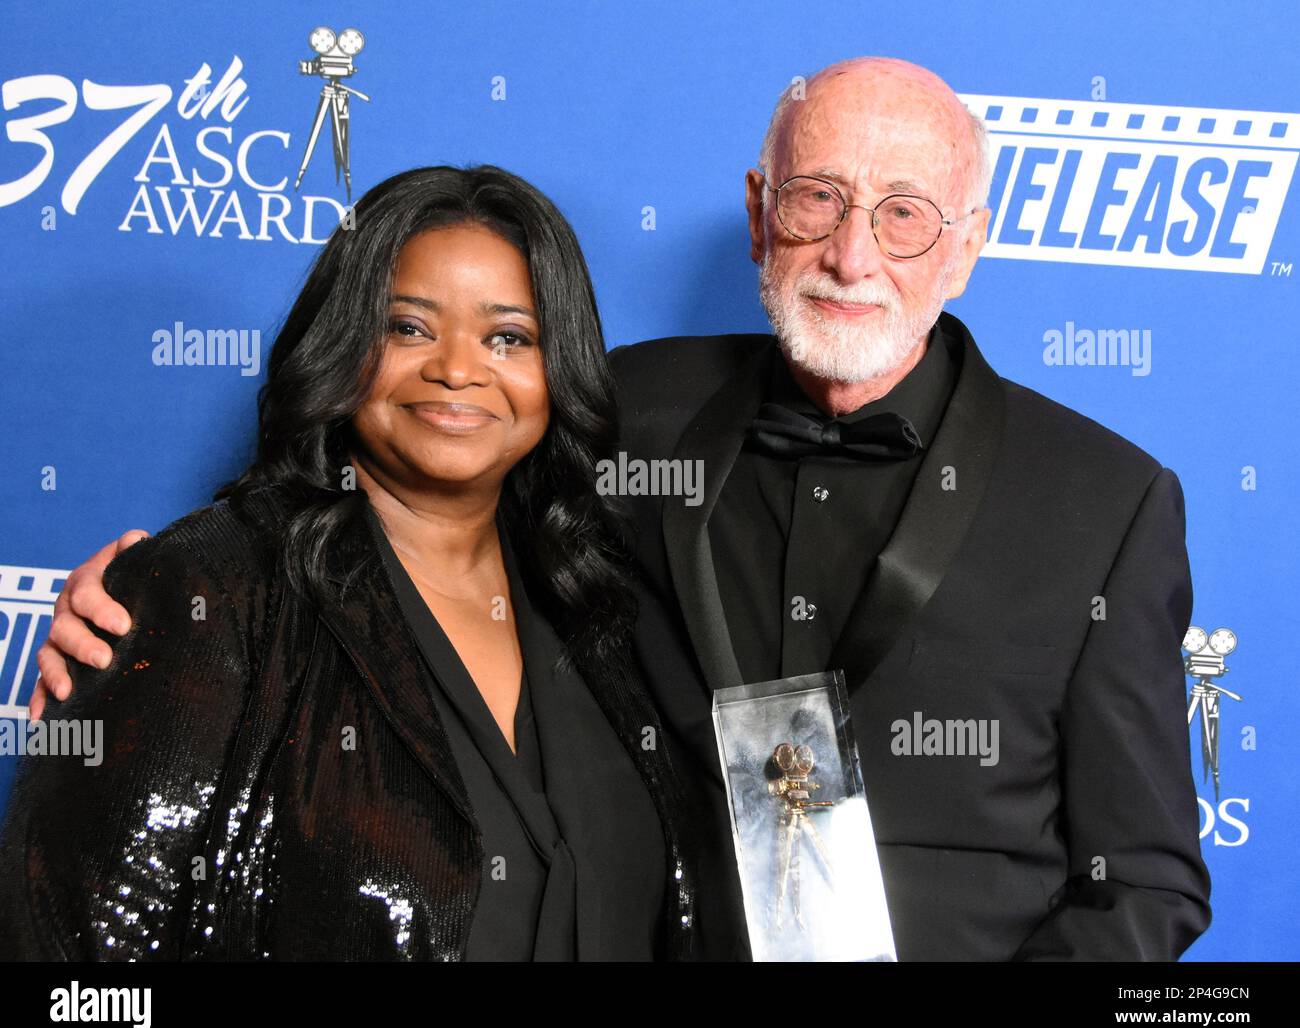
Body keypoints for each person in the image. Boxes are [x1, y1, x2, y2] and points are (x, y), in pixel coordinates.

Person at [30, 57, 1212, 962]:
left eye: (905, 213)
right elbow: (376, 516)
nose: (854, 252)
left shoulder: (1104, 500)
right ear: (759, 211)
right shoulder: (614, 409)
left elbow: (1148, 882)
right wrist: (134, 610)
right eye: (818, 198)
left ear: (968, 245)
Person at [0, 164, 694, 962]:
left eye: (509, 336)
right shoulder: (211, 589)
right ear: (344, 342)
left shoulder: (596, 599)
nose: (459, 369)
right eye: (409, 327)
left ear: (556, 367)